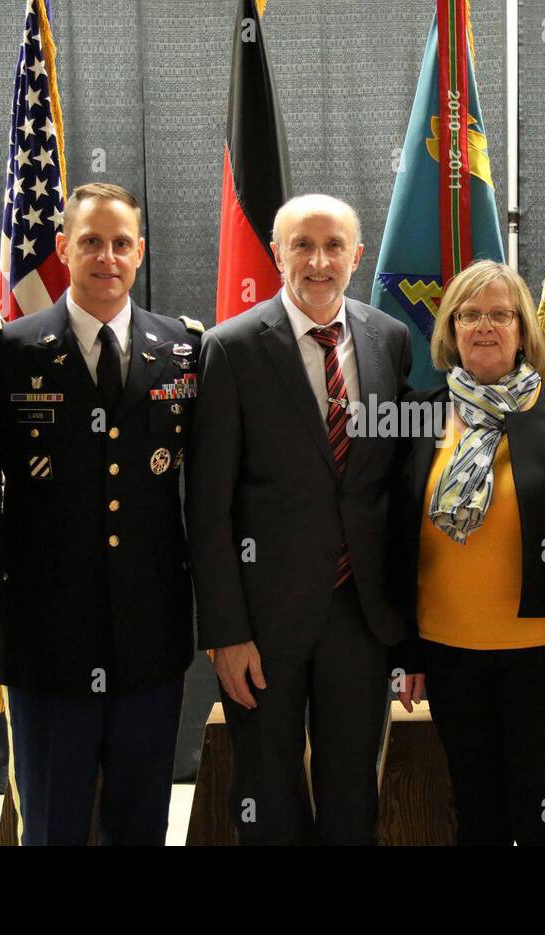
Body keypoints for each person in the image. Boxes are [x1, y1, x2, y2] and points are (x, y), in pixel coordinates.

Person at [0, 182, 202, 845]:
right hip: (47, 638)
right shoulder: (7, 351)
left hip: (149, 636)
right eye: (92, 242)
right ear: (63, 248)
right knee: (53, 825)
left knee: (141, 823)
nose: (108, 256)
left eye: (121, 243)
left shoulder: (185, 348)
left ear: (141, 252)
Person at [186, 193, 411, 845]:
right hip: (262, 622)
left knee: (351, 793)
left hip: (361, 615)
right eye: (302, 245)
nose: (318, 260)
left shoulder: (388, 339)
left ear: (356, 256)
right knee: (266, 792)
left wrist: (405, 624)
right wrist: (225, 631)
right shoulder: (230, 348)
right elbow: (208, 507)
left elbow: (391, 489)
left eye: (333, 245)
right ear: (277, 253)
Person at [393, 260, 545, 846]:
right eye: (470, 315)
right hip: (447, 650)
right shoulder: (418, 414)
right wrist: (407, 653)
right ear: (449, 330)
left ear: (523, 329)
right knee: (474, 808)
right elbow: (396, 540)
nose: (485, 327)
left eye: (500, 314)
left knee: (542, 808)